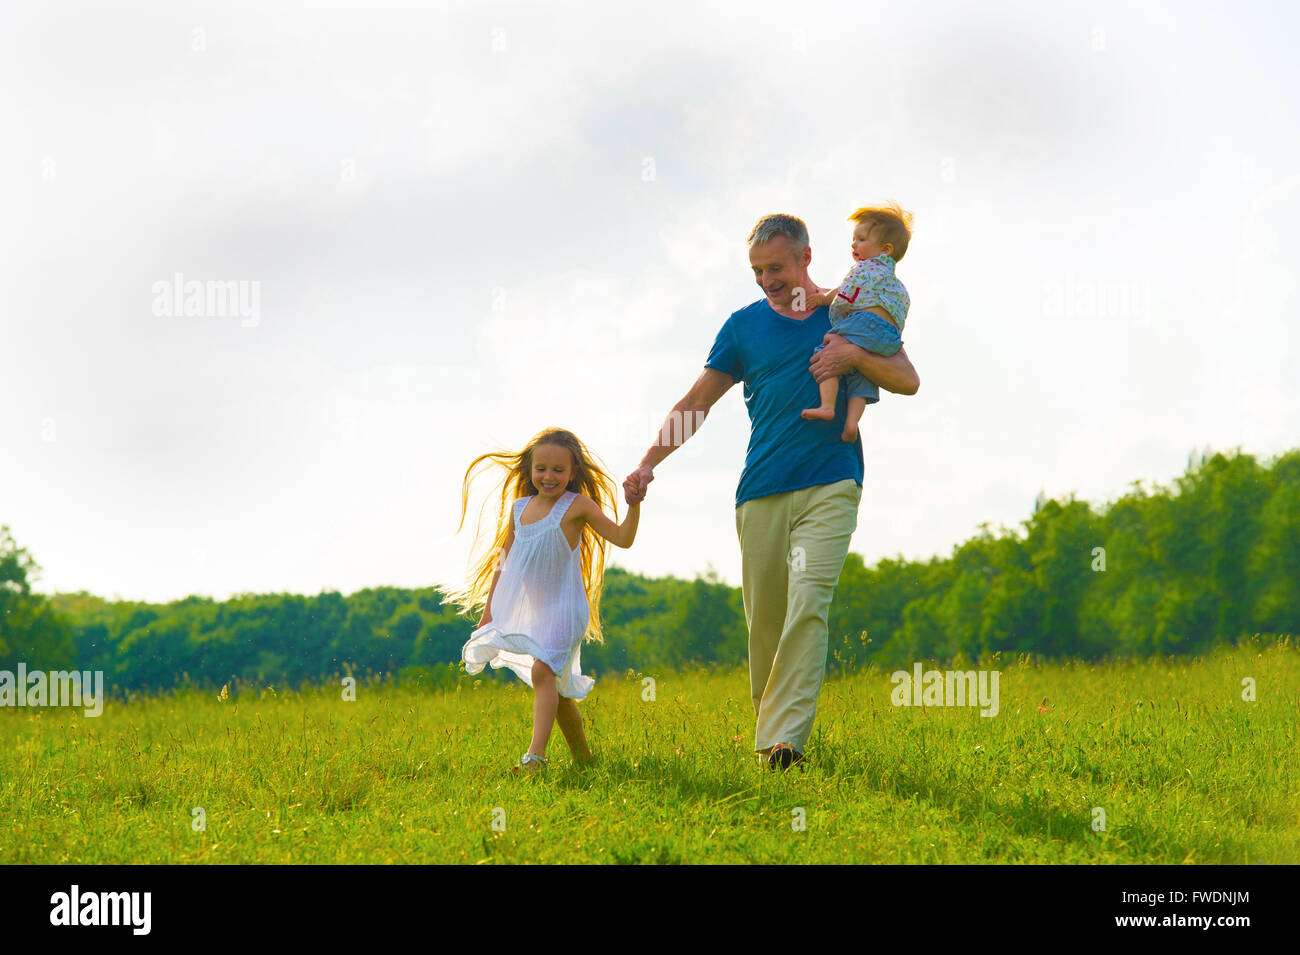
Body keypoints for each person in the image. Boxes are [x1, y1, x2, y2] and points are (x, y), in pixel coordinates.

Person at [623, 213, 919, 770]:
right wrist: (648, 463)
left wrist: (852, 356)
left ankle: (784, 743)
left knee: (809, 603)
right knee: (766, 621)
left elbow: (907, 379)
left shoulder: (846, 310)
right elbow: (697, 404)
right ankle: (772, 730)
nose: (767, 280)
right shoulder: (743, 327)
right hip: (760, 488)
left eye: (776, 267)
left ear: (806, 258)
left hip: (832, 479)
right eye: (758, 270)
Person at [446, 427, 640, 773]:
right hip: (537, 613)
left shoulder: (577, 505)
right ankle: (585, 760)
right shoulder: (520, 508)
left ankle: (535, 758)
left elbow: (623, 539)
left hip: (566, 611)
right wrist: (490, 611)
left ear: (573, 472)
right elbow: (503, 560)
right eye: (541, 469)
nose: (548, 476)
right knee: (559, 692)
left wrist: (633, 506)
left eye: (558, 470)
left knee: (542, 670)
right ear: (530, 469)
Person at [800, 203, 913, 443]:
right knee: (861, 374)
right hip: (888, 338)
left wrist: (822, 298)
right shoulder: (892, 281)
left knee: (829, 351)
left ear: (886, 249)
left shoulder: (865, 269)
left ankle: (827, 405)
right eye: (853, 239)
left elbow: (845, 291)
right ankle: (852, 422)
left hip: (866, 324)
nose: (854, 244)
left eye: (861, 239)